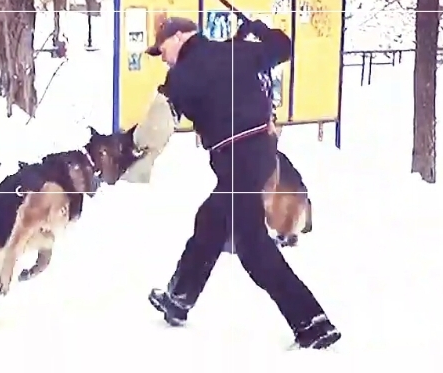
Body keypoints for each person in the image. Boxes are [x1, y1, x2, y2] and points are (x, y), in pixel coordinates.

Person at [143, 17, 340, 350]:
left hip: (237, 162)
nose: (162, 57)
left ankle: (312, 322)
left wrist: (131, 152)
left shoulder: (181, 76)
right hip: (262, 154)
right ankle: (178, 299)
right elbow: (283, 47)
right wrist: (258, 28)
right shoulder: (237, 51)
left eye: (162, 49)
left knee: (252, 247)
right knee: (210, 221)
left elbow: (159, 121)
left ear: (179, 36)